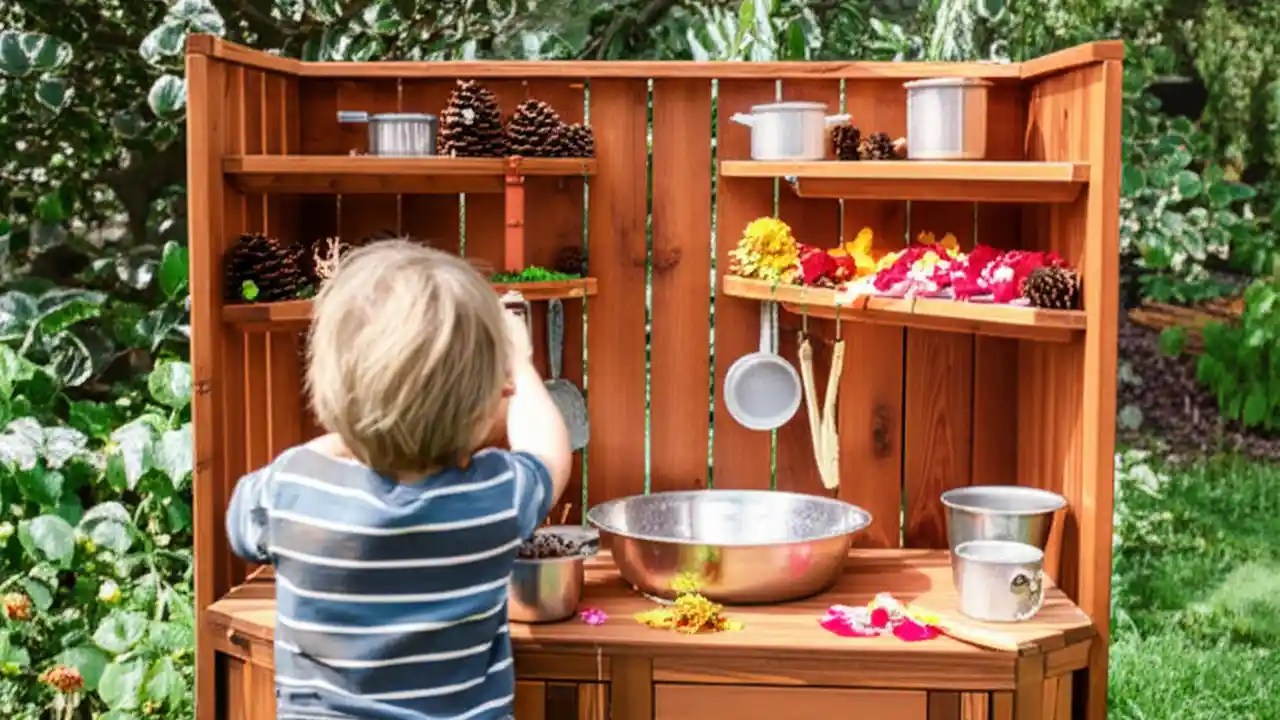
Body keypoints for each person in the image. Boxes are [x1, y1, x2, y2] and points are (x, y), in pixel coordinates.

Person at [224, 240, 571, 720]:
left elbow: (239, 526)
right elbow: (549, 452)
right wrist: (523, 361)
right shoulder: (493, 498)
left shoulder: (291, 490)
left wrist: (349, 431)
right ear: (482, 402)